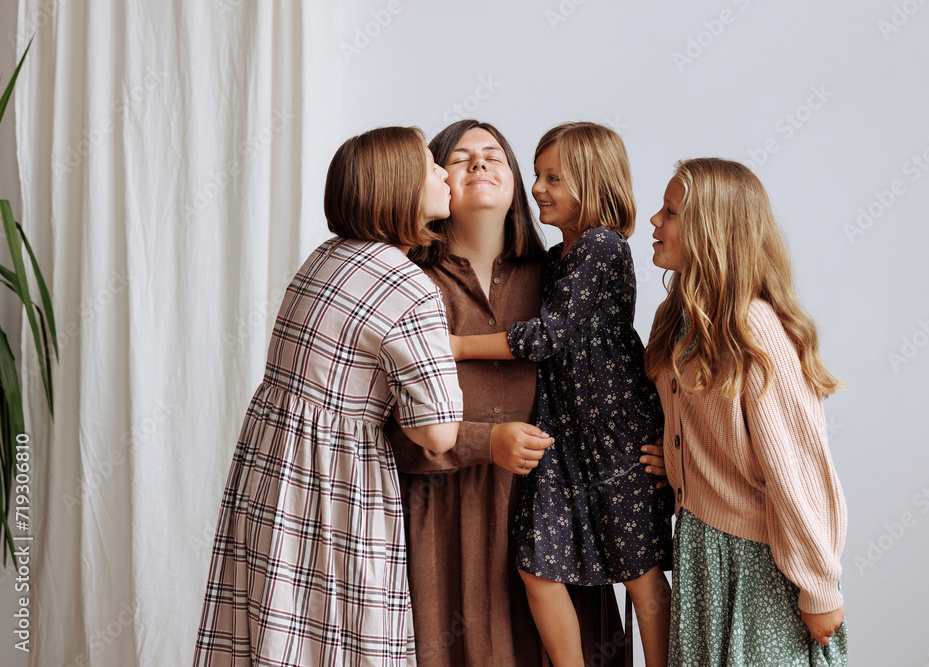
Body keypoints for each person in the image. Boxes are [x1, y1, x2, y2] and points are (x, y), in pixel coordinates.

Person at [193, 127, 464, 666]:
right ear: (394, 186)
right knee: (341, 636)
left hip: (270, 472)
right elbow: (438, 434)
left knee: (272, 628)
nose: (441, 172)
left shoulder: (323, 258)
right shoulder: (408, 287)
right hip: (333, 484)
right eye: (426, 166)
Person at [386, 120, 628, 666]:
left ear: (518, 181)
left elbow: (615, 372)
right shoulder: (406, 282)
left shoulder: (563, 278)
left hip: (560, 506)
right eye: (460, 157)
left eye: (494, 154)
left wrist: (656, 448)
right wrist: (480, 441)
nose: (479, 164)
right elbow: (375, 429)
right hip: (446, 519)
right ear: (434, 183)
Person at [451, 122, 673, 667]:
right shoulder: (555, 258)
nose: (537, 188)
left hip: (616, 435)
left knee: (640, 576)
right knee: (536, 565)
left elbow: (546, 336)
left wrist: (456, 344)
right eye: (536, 175)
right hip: (564, 434)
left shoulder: (602, 246)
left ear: (593, 184)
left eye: (553, 177)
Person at [642, 157, 848, 665]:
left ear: (710, 231)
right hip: (701, 547)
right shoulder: (681, 319)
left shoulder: (755, 331)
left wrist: (820, 588)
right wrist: (674, 465)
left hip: (757, 559)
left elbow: (796, 471)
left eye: (669, 212)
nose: (654, 221)